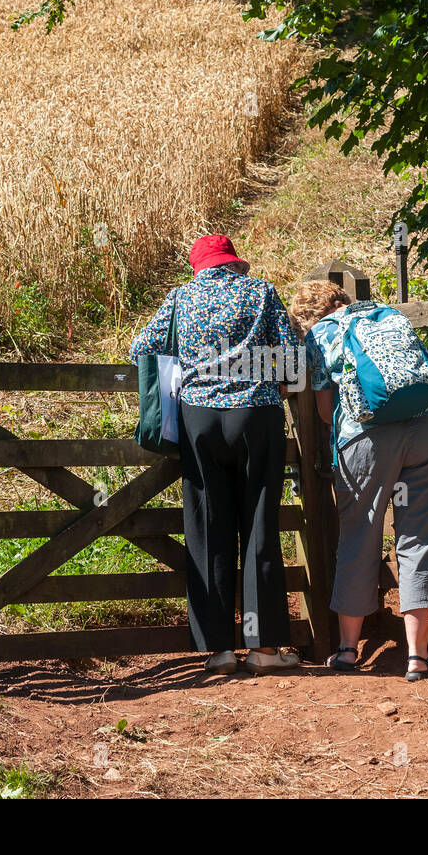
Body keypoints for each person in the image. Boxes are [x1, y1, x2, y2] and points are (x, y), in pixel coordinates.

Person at [130, 235, 302, 676]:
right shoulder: (260, 290)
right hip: (254, 415)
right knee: (259, 525)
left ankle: (218, 649)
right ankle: (262, 649)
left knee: (208, 526)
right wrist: (267, 377)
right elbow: (292, 362)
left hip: (199, 417)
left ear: (198, 267)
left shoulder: (180, 297)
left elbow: (141, 349)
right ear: (235, 264)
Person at [289, 280, 428, 681]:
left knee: (359, 536)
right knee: (420, 539)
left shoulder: (319, 336)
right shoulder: (388, 314)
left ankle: (347, 650)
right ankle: (418, 657)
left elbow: (328, 413)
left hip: (365, 438)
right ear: (340, 298)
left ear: (304, 319)